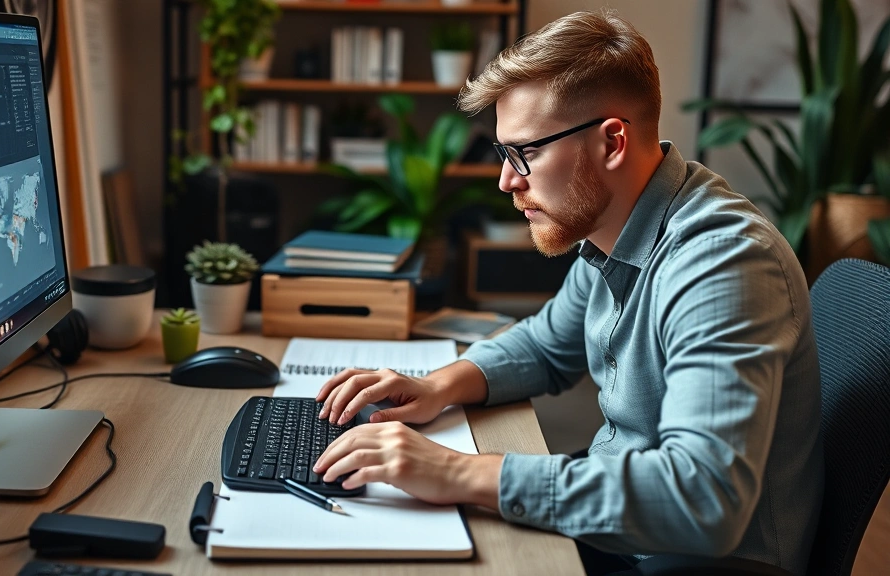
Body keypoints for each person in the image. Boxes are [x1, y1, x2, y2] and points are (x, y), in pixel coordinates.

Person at [311, 9, 823, 576]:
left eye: (524, 152)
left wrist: (456, 472)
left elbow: (702, 499)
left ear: (612, 142)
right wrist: (435, 387)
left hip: (693, 560)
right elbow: (547, 344)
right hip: (628, 525)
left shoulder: (723, 262)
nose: (507, 180)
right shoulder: (618, 227)